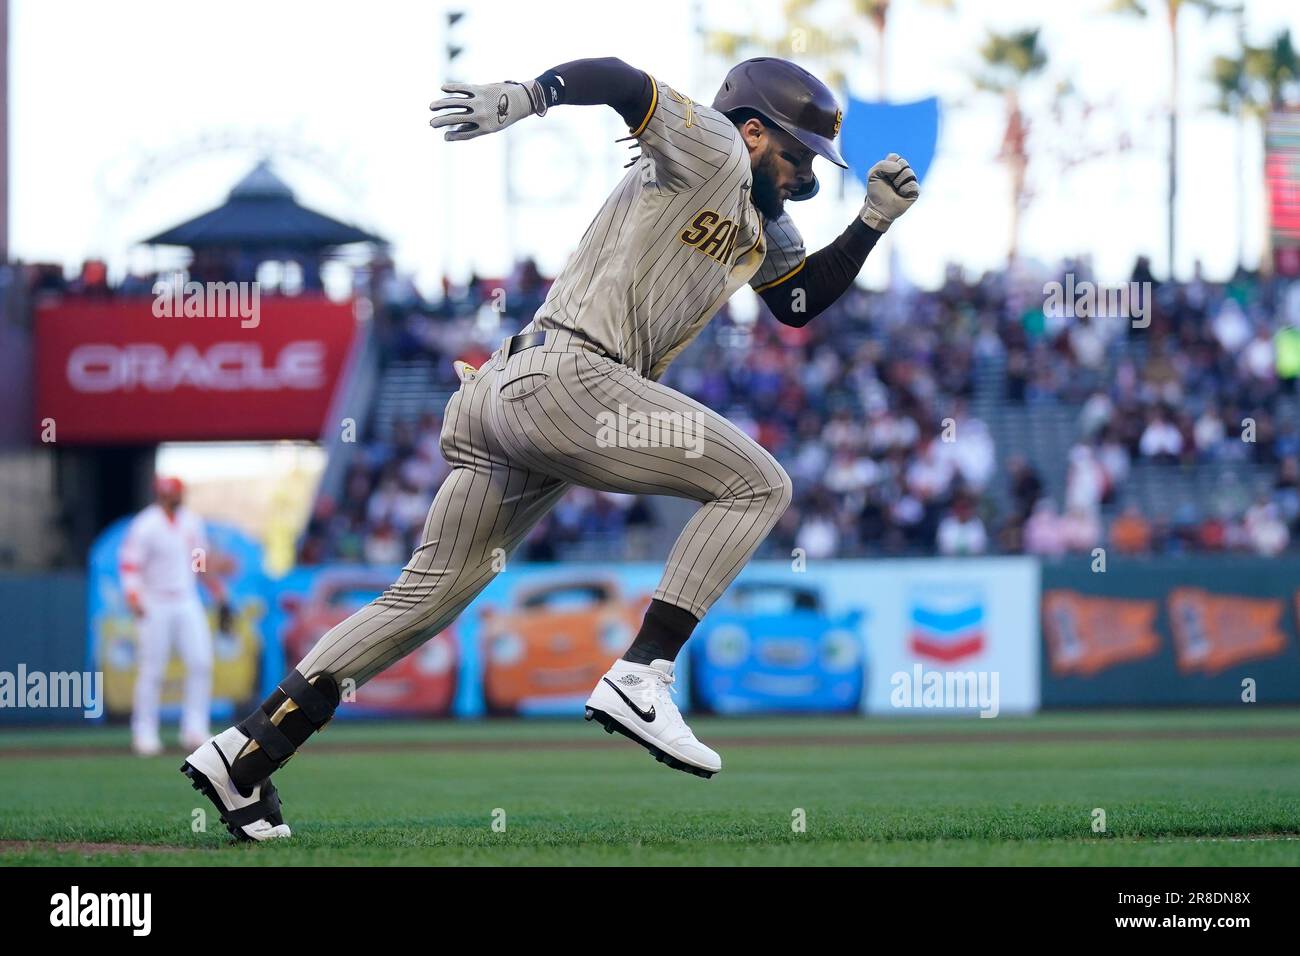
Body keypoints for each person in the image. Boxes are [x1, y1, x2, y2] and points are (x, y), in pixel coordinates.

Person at [180, 55, 919, 841]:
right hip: (570, 378)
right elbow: (625, 81)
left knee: (420, 602)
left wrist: (871, 223)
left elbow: (797, 302)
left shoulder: (764, 217)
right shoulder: (713, 145)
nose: (806, 174)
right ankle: (642, 673)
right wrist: (531, 97)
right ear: (753, 128)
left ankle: (246, 756)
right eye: (799, 153)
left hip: (520, 393)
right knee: (757, 485)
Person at [120, 477, 229, 756]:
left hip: (186, 598)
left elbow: (198, 561)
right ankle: (144, 732)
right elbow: (130, 564)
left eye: (177, 493)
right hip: (154, 600)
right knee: (152, 668)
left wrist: (215, 587)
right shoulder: (146, 524)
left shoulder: (191, 521)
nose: (174, 497)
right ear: (160, 494)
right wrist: (133, 595)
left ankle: (194, 728)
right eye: (170, 493)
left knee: (201, 661)